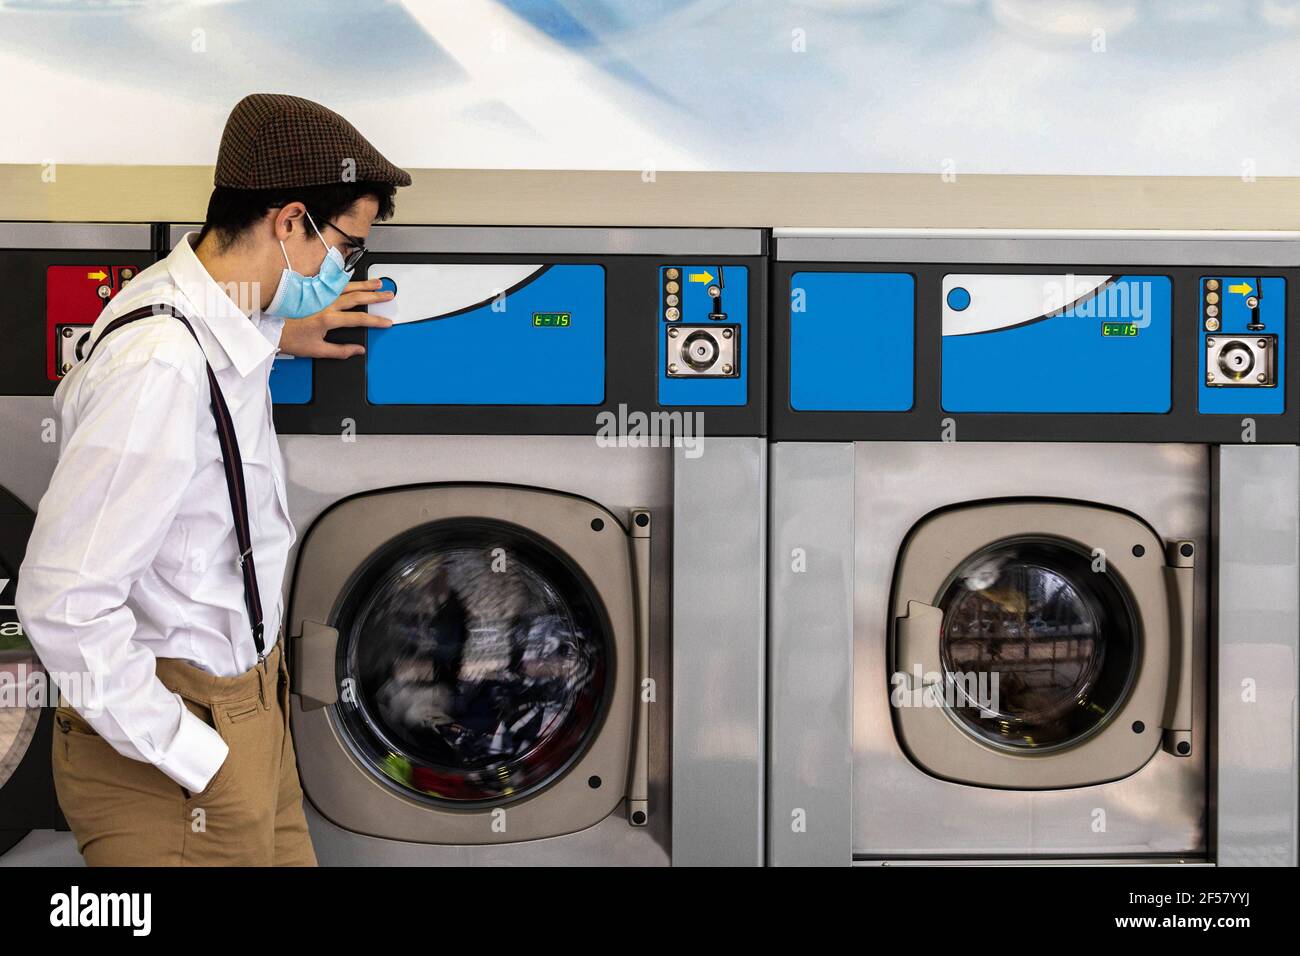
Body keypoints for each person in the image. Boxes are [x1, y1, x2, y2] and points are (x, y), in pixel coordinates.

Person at [15, 93, 410, 866]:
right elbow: (60, 603)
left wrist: (280, 329)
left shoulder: (209, 315)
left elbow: (212, 338)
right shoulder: (159, 366)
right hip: (177, 753)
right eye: (346, 248)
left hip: (253, 710)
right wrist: (196, 755)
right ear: (290, 221)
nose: (345, 269)